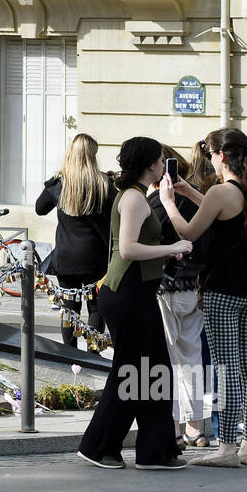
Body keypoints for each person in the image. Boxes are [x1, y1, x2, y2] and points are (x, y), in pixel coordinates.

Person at [76, 137, 191, 470]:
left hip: (136, 293)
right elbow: (127, 249)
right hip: (126, 293)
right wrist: (172, 248)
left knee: (153, 371)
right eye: (161, 159)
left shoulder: (136, 196)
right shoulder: (134, 199)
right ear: (151, 165)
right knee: (132, 373)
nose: (163, 163)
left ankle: (155, 451)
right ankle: (99, 447)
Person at [160, 128, 247, 468]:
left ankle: (226, 448)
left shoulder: (221, 192)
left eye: (210, 153)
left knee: (225, 368)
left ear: (221, 156)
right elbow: (226, 217)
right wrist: (193, 193)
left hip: (223, 291)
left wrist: (168, 201)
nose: (209, 159)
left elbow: (188, 233)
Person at [148, 145, 210, 449]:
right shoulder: (198, 199)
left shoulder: (155, 202)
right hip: (194, 285)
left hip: (164, 286)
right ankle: (196, 428)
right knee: (191, 358)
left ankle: (172, 428)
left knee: (168, 359)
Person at [35, 134, 114, 351]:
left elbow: (39, 209)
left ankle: (69, 351)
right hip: (96, 257)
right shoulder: (103, 183)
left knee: (70, 308)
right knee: (96, 307)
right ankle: (93, 352)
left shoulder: (60, 183)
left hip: (67, 257)